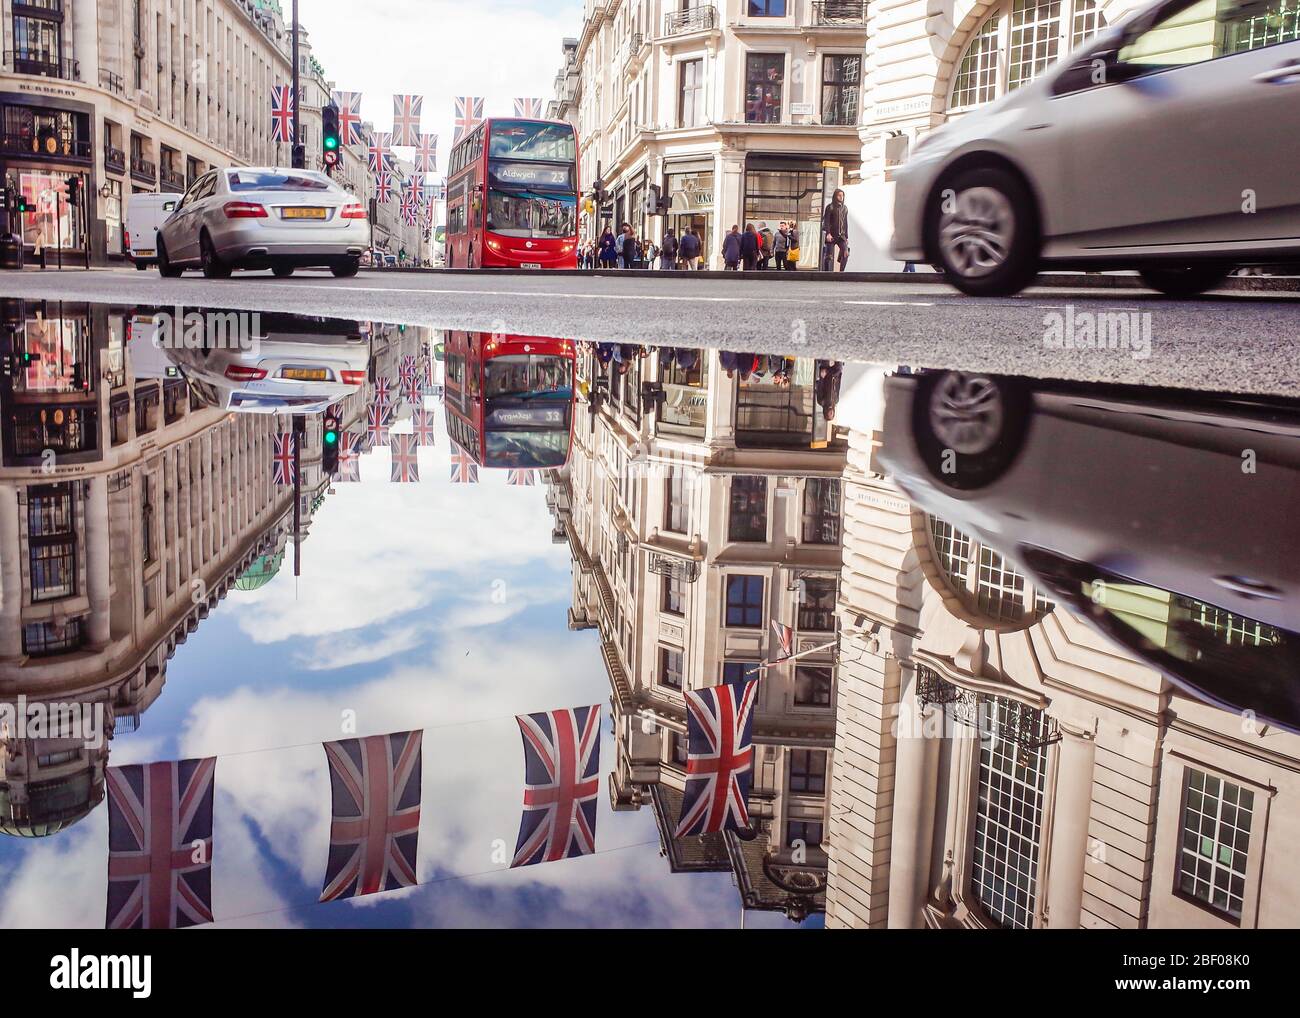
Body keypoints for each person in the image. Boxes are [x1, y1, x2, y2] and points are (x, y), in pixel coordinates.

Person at [821, 189, 850, 272]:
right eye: (839, 195)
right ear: (835, 196)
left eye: (842, 195)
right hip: (832, 235)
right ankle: (827, 274)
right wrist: (828, 233)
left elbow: (845, 223)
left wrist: (846, 237)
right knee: (828, 257)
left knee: (846, 253)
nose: (841, 197)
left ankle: (841, 273)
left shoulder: (845, 208)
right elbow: (826, 221)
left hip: (842, 236)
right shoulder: (830, 207)